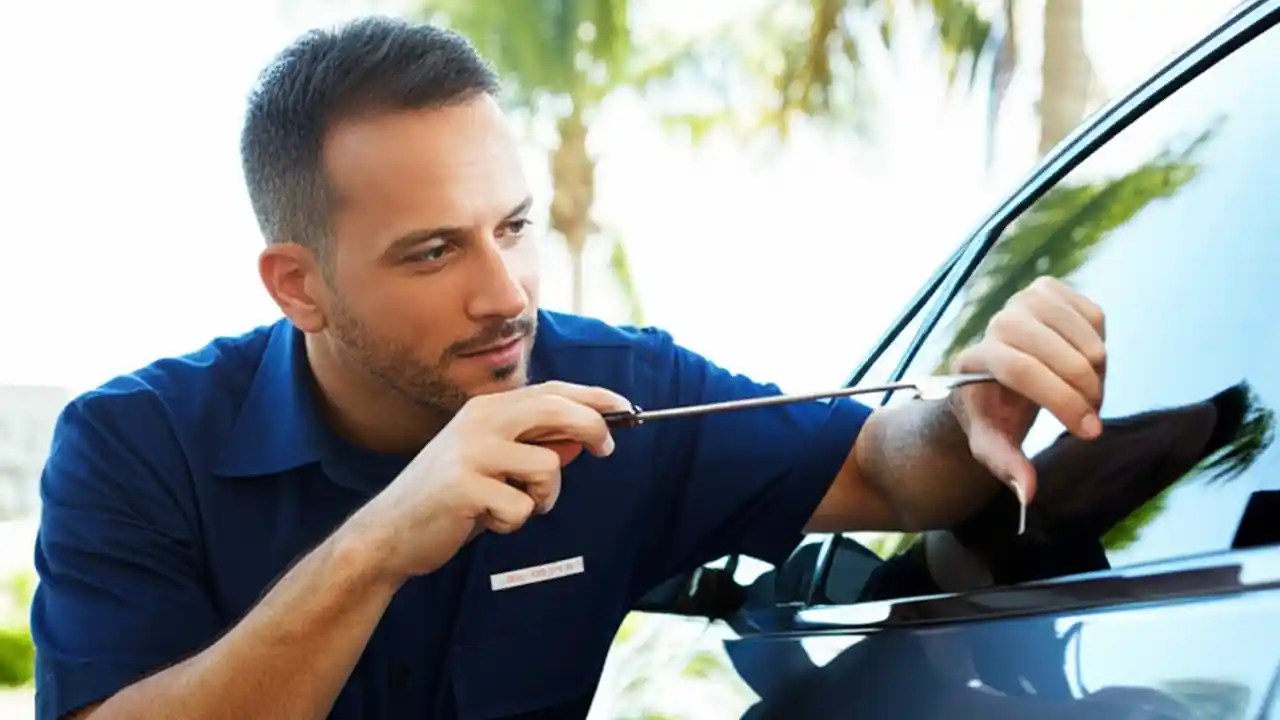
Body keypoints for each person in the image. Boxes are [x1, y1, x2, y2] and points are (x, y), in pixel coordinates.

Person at [29, 15, 1109, 720]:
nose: (504, 294)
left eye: (513, 227)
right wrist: (375, 548)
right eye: (434, 250)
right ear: (297, 286)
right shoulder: (135, 445)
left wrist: (974, 402)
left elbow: (886, 467)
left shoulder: (619, 392)